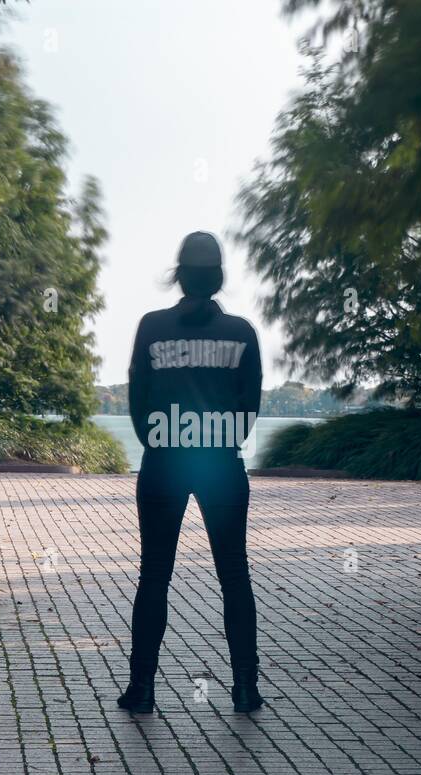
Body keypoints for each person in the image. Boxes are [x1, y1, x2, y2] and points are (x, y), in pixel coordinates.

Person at [117, 231, 264, 715]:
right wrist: (223, 442)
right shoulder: (241, 333)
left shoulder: (152, 327)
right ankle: (245, 689)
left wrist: (159, 442)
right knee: (234, 575)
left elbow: (137, 398)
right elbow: (250, 404)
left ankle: (142, 690)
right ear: (219, 277)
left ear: (178, 275)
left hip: (165, 462)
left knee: (154, 575)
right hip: (222, 464)